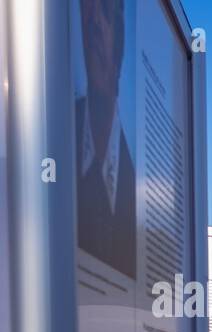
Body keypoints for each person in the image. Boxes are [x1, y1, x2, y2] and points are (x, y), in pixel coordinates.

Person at [76, 0, 137, 279]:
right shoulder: (54, 143)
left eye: (107, 15)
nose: (96, 27)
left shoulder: (134, 183)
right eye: (89, 14)